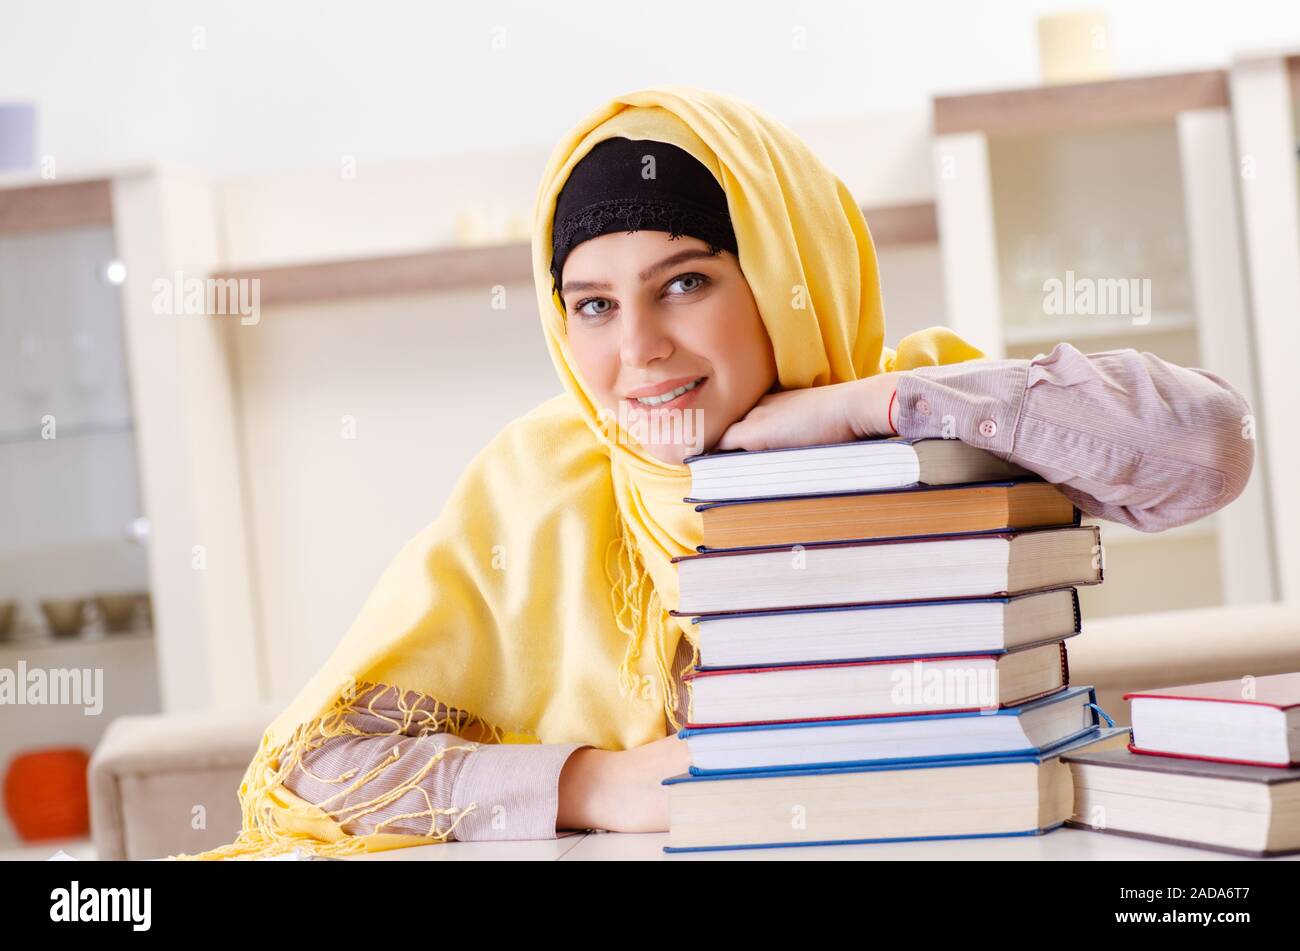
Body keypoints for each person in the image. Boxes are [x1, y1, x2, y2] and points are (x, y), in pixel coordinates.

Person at [183, 86, 1254, 859]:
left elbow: (1201, 453)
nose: (636, 348)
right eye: (593, 304)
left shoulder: (935, 407)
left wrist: (856, 409)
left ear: (790, 276)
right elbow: (315, 767)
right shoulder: (540, 481)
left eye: (683, 282)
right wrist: (593, 787)